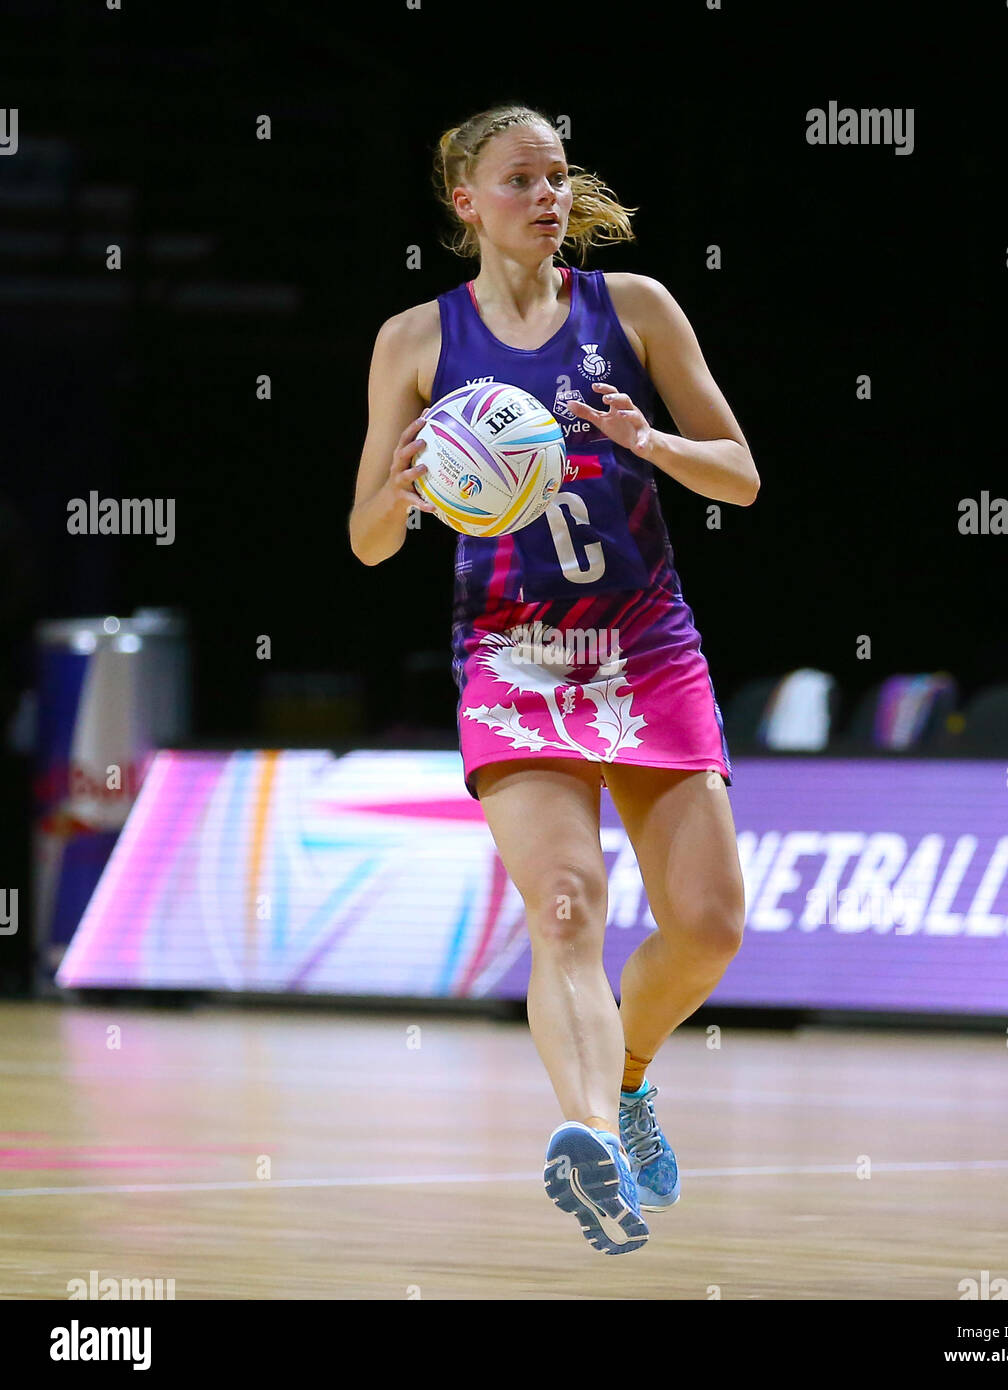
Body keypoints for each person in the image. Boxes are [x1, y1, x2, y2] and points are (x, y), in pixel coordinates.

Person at [349, 104, 758, 1255]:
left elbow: (740, 476)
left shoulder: (635, 308)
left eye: (557, 176)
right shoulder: (414, 340)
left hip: (643, 643)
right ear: (465, 202)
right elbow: (366, 540)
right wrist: (407, 488)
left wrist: (649, 443)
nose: (546, 196)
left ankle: (626, 1078)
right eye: (520, 179)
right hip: (513, 650)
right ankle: (588, 1137)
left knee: (709, 927)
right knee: (566, 905)